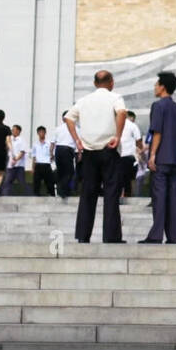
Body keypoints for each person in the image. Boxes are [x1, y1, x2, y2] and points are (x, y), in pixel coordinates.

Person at [66, 71, 128, 244]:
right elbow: (122, 113)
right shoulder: (115, 98)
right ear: (111, 83)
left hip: (88, 152)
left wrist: (77, 140)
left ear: (95, 83)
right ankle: (111, 236)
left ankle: (83, 235)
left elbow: (68, 118)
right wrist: (118, 135)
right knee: (111, 194)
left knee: (87, 194)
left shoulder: (84, 100)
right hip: (109, 149)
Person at [142, 71, 176, 245]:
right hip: (174, 159)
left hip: (161, 157)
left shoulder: (158, 106)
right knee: (173, 199)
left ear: (162, 87)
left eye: (156, 84)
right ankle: (174, 235)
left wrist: (152, 154)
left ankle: (156, 235)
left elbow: (157, 132)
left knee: (159, 197)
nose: (155, 87)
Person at [52, 111, 78, 202]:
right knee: (69, 172)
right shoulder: (75, 128)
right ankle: (62, 191)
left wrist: (51, 153)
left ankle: (63, 191)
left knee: (61, 171)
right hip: (67, 150)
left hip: (58, 150)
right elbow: (78, 141)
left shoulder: (58, 128)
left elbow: (53, 143)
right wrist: (80, 153)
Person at [115, 112, 141, 201]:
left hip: (117, 155)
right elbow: (138, 139)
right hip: (128, 156)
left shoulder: (114, 124)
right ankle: (127, 196)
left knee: (118, 178)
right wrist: (140, 148)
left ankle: (119, 196)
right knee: (128, 179)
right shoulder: (132, 125)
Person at [3, 125, 29, 196]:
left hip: (19, 165)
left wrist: (16, 160)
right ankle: (5, 196)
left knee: (22, 182)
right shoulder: (10, 139)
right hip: (10, 165)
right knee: (7, 182)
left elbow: (22, 152)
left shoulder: (22, 140)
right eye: (12, 130)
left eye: (14, 130)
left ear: (18, 131)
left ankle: (28, 195)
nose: (12, 131)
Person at [31, 126, 54, 196]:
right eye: (40, 132)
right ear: (37, 133)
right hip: (38, 165)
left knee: (49, 182)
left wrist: (52, 156)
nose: (41, 133)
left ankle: (51, 194)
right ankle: (36, 195)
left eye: (43, 132)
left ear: (45, 133)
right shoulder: (35, 144)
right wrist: (32, 167)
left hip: (46, 164)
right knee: (36, 182)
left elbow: (53, 154)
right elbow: (34, 156)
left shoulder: (49, 143)